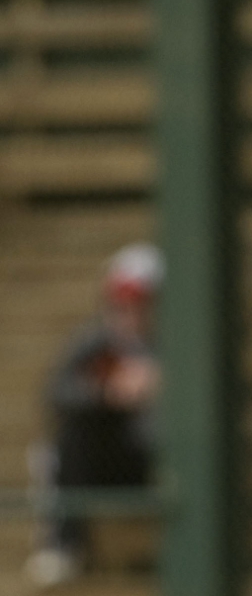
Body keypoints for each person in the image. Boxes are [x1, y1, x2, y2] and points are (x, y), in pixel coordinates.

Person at [25, 243, 163, 587]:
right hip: (106, 460)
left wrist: (161, 390)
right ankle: (64, 546)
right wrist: (105, 393)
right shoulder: (94, 344)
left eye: (139, 304)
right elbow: (57, 393)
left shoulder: (177, 346)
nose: (128, 314)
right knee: (62, 446)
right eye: (121, 304)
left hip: (158, 458)